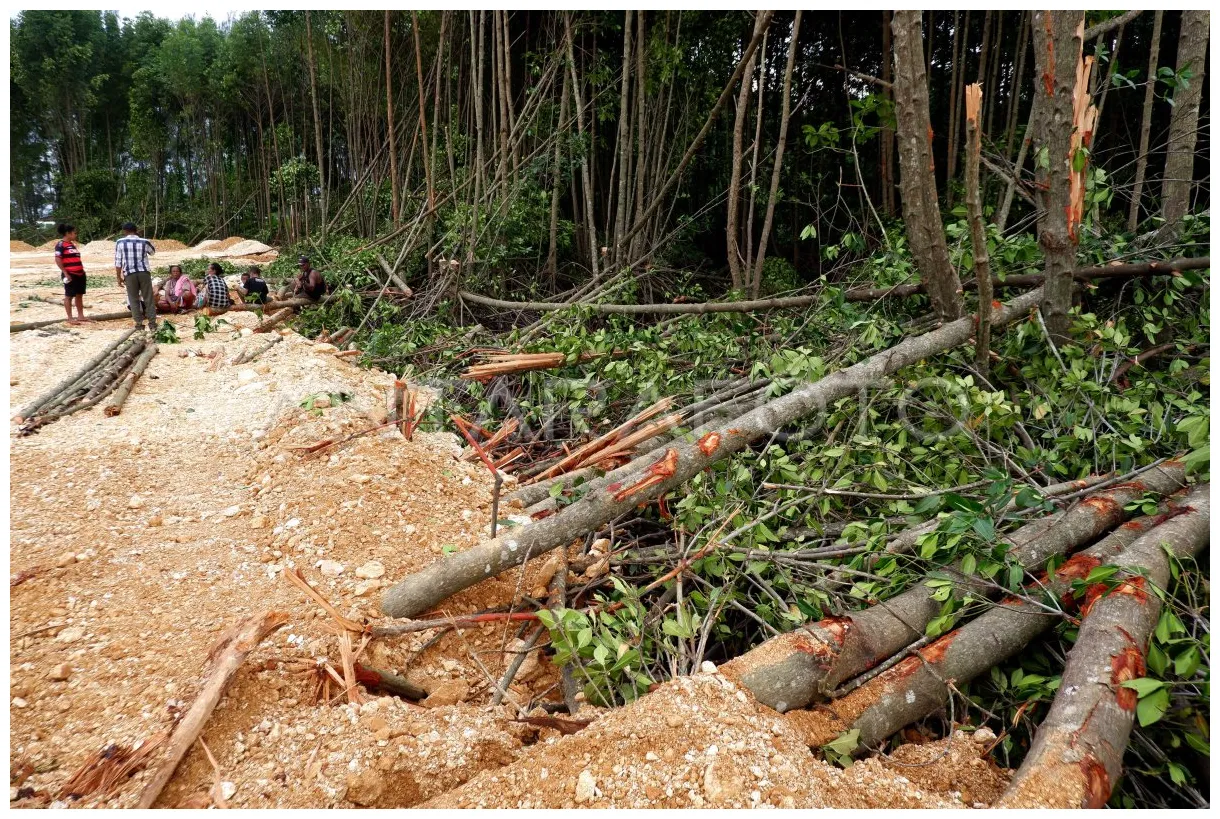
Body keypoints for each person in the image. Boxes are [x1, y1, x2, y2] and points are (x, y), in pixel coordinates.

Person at [114, 222, 157, 332]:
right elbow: (152, 252)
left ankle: (139, 324)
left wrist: (118, 277)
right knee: (148, 298)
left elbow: (118, 262)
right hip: (144, 272)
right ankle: (152, 324)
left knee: (133, 299)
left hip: (129, 273)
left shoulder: (120, 242)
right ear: (136, 230)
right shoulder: (144, 241)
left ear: (125, 231)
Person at [54, 223, 88, 325]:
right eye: (74, 233)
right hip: (70, 274)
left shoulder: (72, 244)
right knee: (69, 296)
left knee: (79, 295)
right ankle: (70, 318)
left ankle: (80, 316)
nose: (76, 235)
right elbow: (58, 259)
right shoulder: (60, 245)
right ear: (68, 233)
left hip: (80, 274)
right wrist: (65, 272)